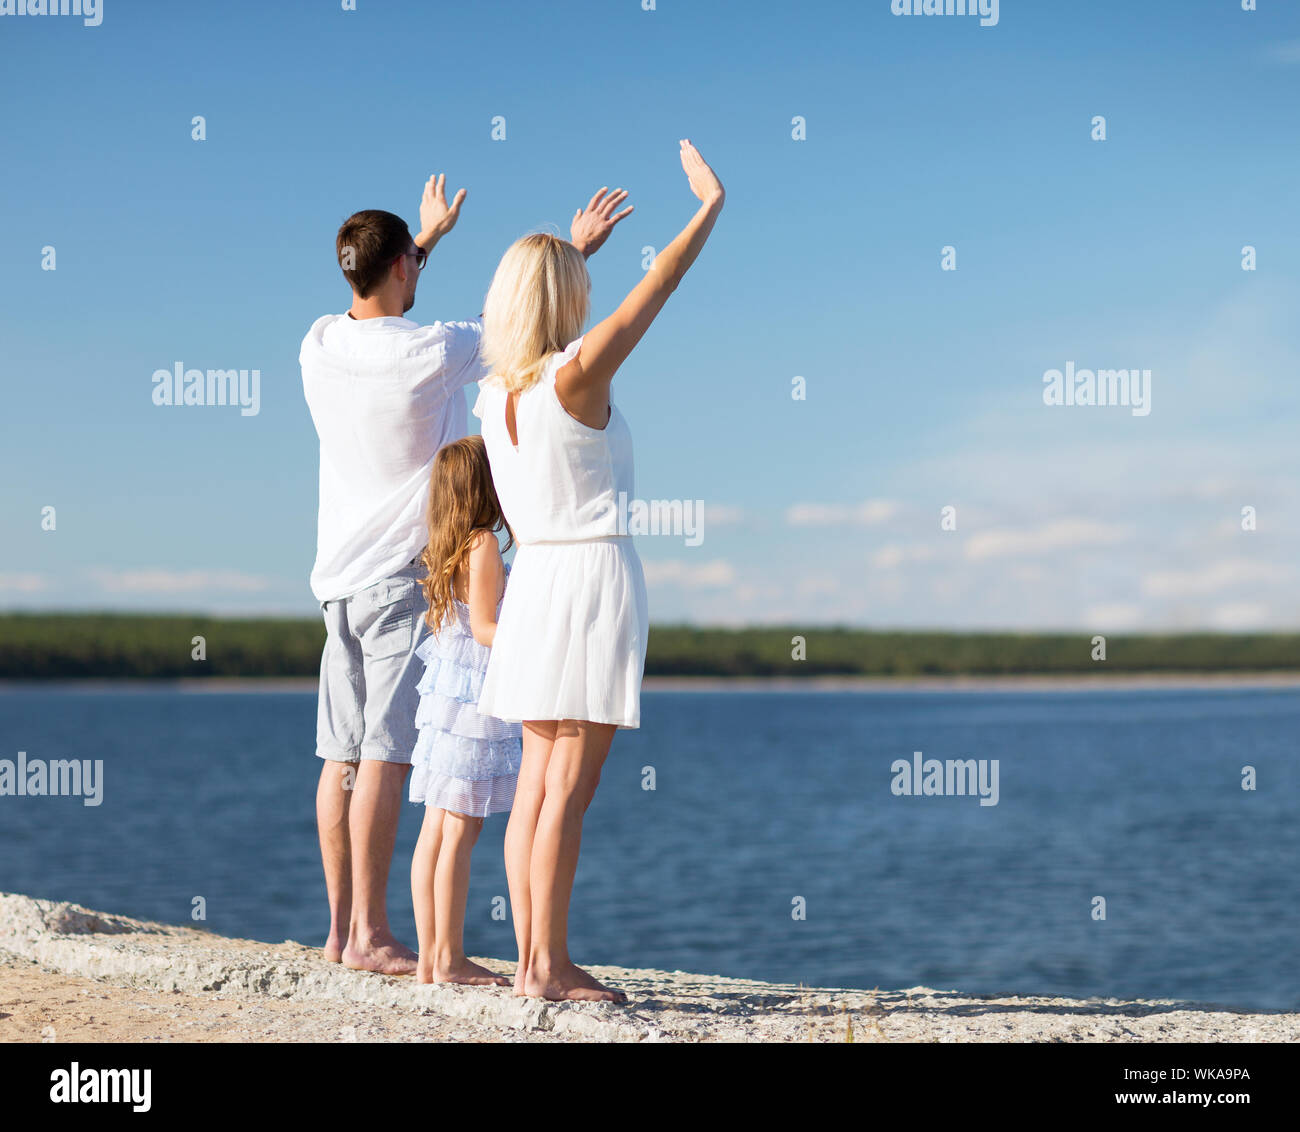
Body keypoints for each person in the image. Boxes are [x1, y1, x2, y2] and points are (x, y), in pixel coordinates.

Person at [300, 172, 633, 975]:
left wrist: (422, 241)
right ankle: (374, 937)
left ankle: (340, 929)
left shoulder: (317, 342)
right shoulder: (431, 351)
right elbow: (513, 325)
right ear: (402, 270)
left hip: (334, 579)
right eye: (412, 260)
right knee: (385, 751)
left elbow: (384, 281)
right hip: (401, 574)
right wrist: (575, 252)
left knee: (338, 753)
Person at [474, 140, 725, 1001]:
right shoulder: (577, 378)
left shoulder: (494, 393)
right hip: (589, 583)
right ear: (563, 303)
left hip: (536, 582)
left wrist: (570, 252)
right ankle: (546, 966)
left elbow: (535, 316)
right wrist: (707, 209)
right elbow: (653, 295)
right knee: (568, 794)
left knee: (537, 788)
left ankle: (529, 961)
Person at [408, 436, 519, 985]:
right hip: (473, 704)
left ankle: (431, 956)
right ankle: (449, 958)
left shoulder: (447, 544)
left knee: (435, 828)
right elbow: (484, 628)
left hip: (444, 705)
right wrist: (534, 641)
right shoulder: (483, 546)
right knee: (460, 831)